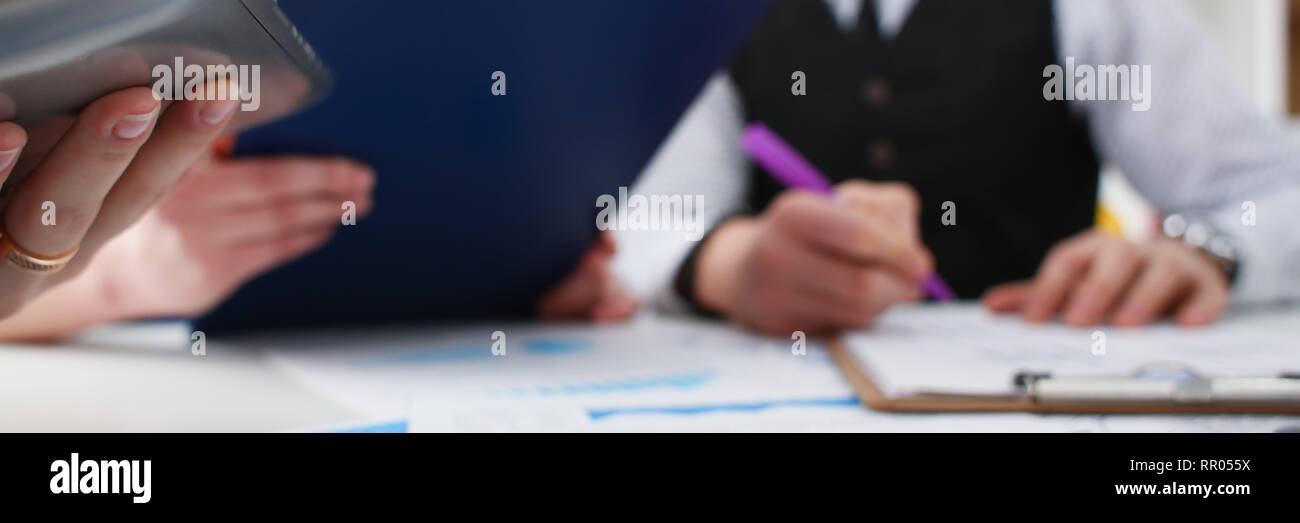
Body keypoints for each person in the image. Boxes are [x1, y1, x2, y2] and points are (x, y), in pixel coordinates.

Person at [605, 0, 1300, 335]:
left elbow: (1274, 188)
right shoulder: (705, 15)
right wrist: (735, 264)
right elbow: (643, 223)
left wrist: (1210, 250)